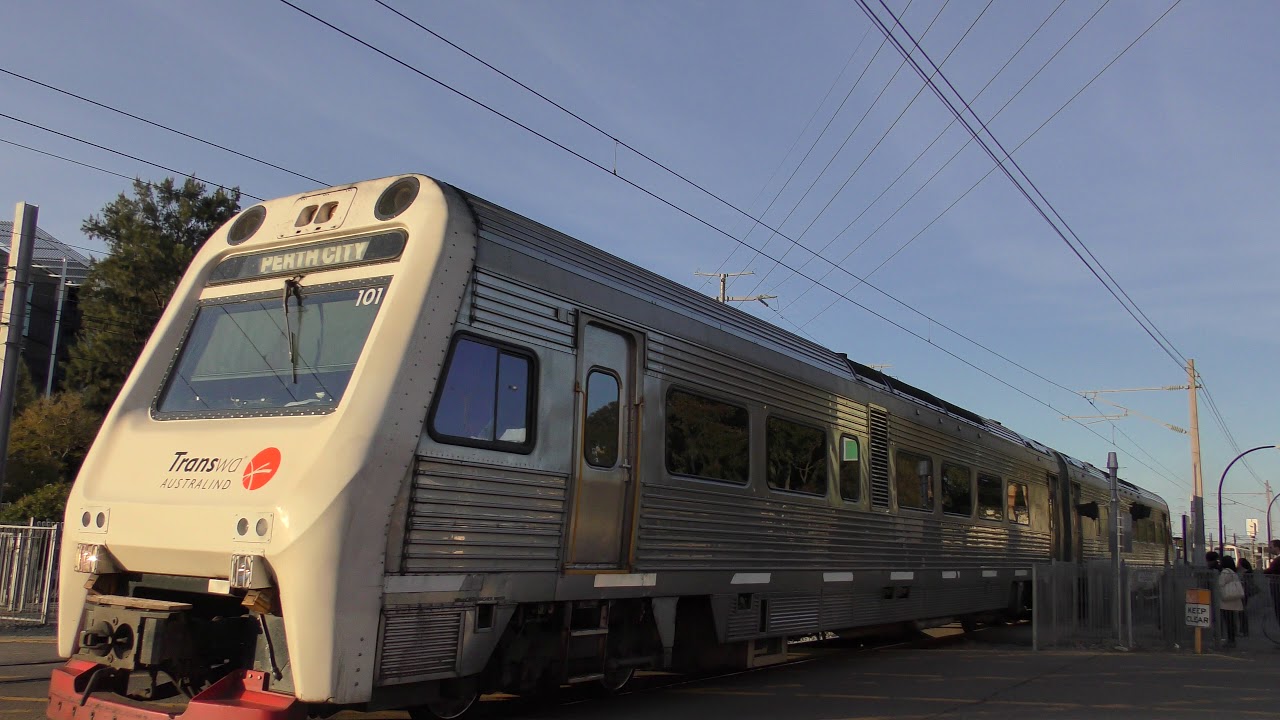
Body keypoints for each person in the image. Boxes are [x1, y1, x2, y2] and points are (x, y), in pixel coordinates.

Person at [1217, 556, 1244, 647]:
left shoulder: (1225, 572)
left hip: (1226, 601)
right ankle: (1232, 640)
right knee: (1232, 622)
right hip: (1234, 600)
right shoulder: (1233, 572)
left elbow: (1220, 584)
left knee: (1228, 622)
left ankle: (1230, 641)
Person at [1238, 557, 1255, 636]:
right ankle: (1243, 630)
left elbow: (1244, 583)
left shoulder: (1244, 573)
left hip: (1243, 593)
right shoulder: (1248, 572)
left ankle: (1244, 630)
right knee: (1242, 611)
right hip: (1245, 593)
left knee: (1242, 611)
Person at [1265, 539, 1280, 625]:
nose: (1269, 549)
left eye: (1271, 547)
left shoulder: (1277, 560)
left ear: (1277, 548)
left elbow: (1269, 571)